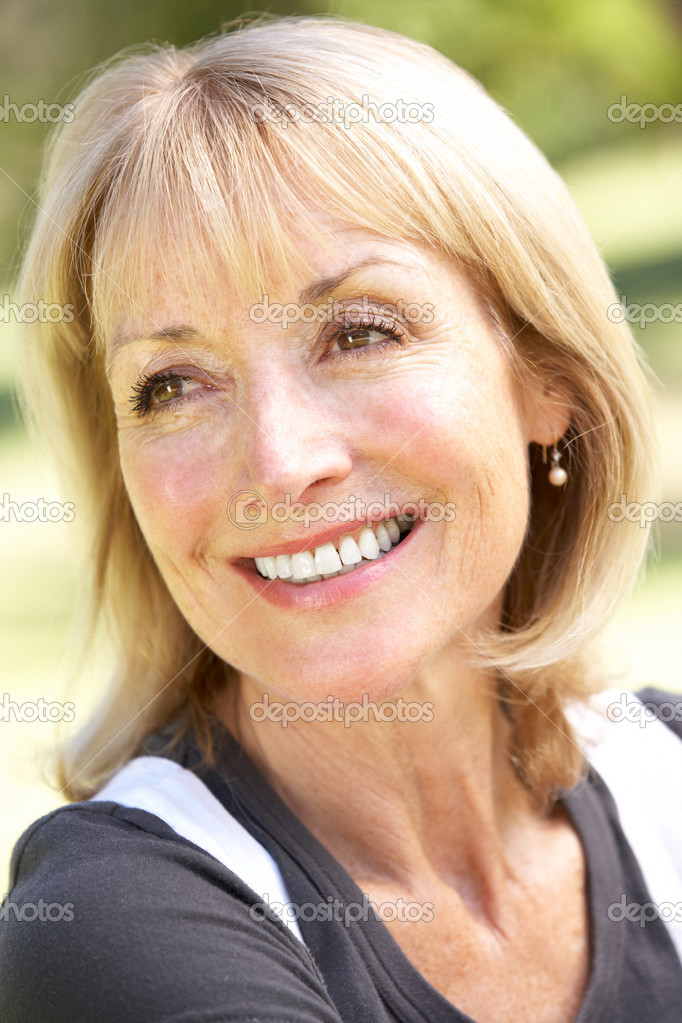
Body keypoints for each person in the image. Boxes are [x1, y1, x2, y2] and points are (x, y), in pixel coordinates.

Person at [1, 15, 680, 1022]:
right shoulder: (111, 930)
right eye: (173, 385)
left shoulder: (664, 773)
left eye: (357, 332)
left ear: (547, 379)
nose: (279, 461)